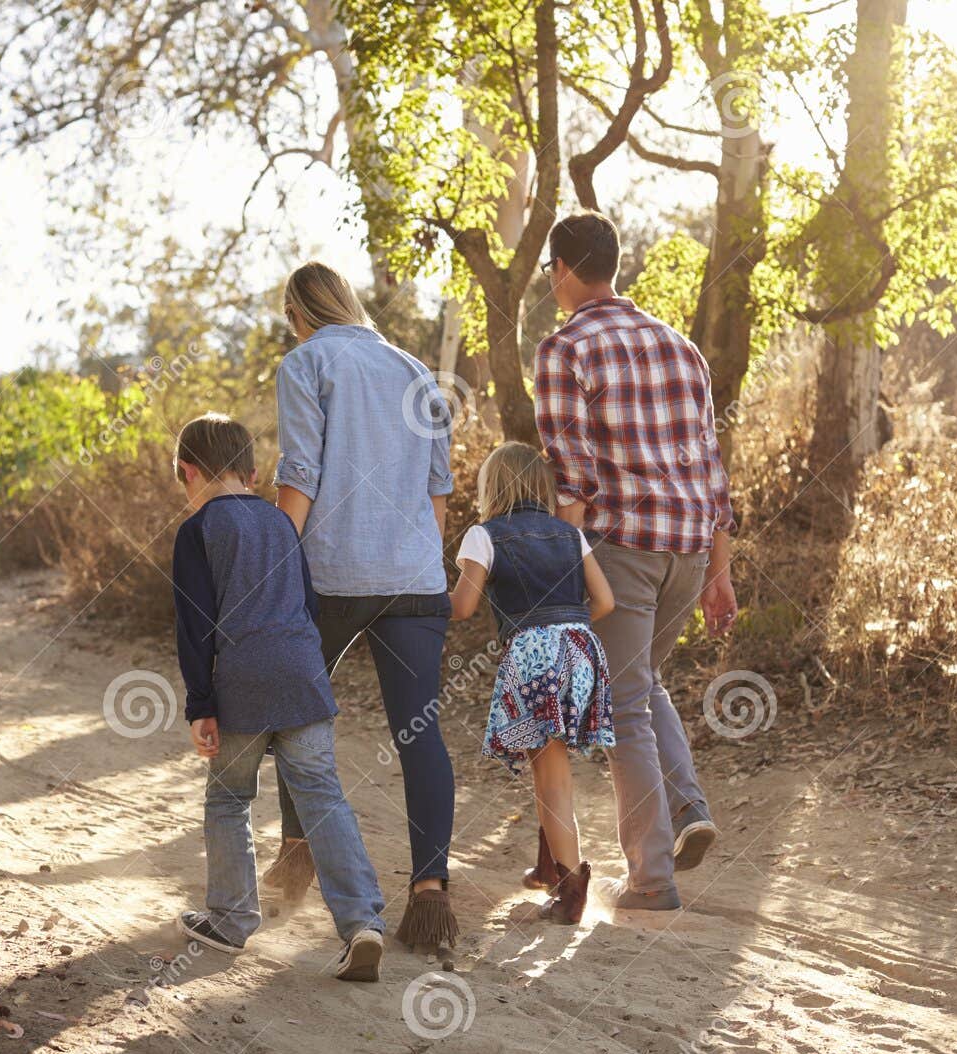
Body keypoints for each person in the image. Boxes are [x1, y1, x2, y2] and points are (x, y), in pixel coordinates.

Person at [533, 210, 738, 916]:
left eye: (548, 272)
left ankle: (651, 877)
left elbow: (574, 478)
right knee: (639, 683)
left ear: (562, 269)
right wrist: (721, 570)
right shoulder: (680, 346)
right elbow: (713, 471)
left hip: (621, 550)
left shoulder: (565, 349)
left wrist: (564, 572)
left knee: (622, 705)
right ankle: (687, 809)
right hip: (687, 545)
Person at [265, 261, 460, 951]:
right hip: (415, 575)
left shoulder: (306, 363)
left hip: (331, 574)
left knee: (293, 713)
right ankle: (430, 894)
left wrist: (274, 565)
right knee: (420, 732)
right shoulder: (413, 369)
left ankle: (297, 857)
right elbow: (440, 488)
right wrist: (421, 567)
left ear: (298, 314)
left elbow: (301, 475)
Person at [169, 412, 387, 981]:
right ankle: (362, 923)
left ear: (187, 472)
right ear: (254, 471)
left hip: (243, 680)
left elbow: (194, 626)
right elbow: (309, 606)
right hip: (303, 676)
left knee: (229, 796)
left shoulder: (197, 532)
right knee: (323, 797)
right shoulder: (281, 524)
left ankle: (232, 918)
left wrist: (200, 705)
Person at [448, 442, 616, 923]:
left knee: (550, 772)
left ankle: (570, 885)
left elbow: (462, 607)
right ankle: (551, 867)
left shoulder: (485, 535)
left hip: (533, 656)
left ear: (491, 487)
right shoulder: (569, 534)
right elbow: (604, 602)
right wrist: (567, 628)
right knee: (549, 764)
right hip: (582, 650)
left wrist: (413, 599)